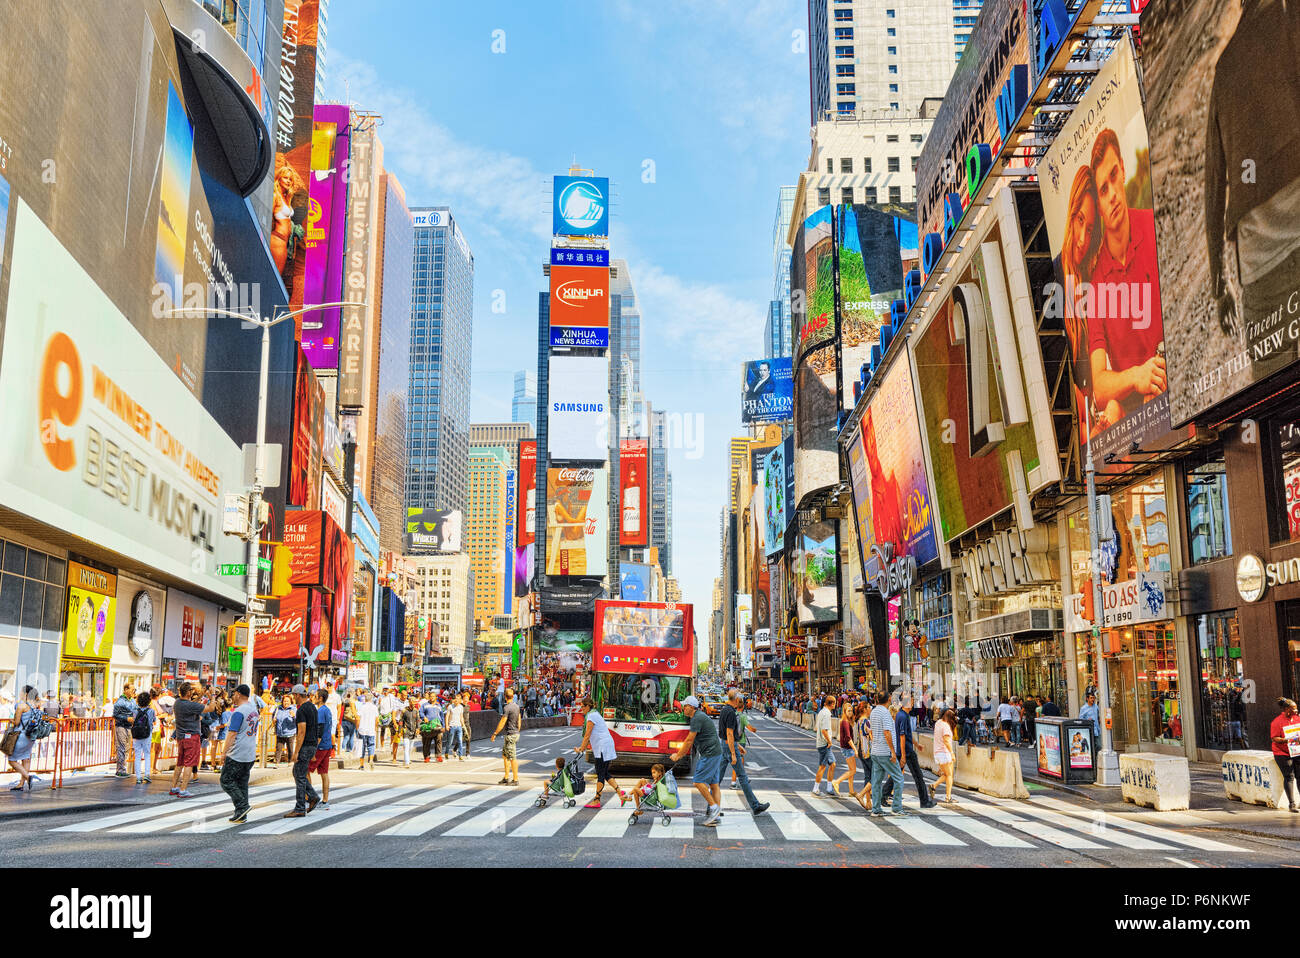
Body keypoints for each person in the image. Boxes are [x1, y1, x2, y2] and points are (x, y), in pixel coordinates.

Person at [1087, 127, 1166, 419]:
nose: (1112, 196)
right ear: (1098, 204)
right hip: (1137, 426)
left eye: (1113, 177)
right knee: (1114, 408)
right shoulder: (1096, 286)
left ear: (1122, 169)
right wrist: (1136, 376)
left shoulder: (1156, 227)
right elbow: (1099, 387)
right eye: (1102, 190)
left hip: (1180, 386)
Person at [669, 696, 724, 827]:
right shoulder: (698, 716)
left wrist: (678, 755)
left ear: (692, 707)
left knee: (698, 781)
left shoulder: (696, 718)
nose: (684, 708)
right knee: (714, 784)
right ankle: (715, 815)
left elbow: (689, 740)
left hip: (710, 753)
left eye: (685, 706)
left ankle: (714, 808)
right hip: (715, 752)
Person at [716, 689, 770, 817]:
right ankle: (755, 806)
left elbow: (725, 734)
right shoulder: (730, 712)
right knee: (743, 777)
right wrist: (734, 752)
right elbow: (729, 733)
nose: (741, 701)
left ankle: (711, 807)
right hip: (729, 746)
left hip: (724, 745)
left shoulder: (725, 710)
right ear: (736, 699)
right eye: (740, 699)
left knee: (717, 778)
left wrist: (737, 745)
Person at [880, 692, 934, 809]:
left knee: (896, 774)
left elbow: (908, 734)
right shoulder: (903, 716)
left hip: (903, 750)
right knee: (918, 776)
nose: (912, 703)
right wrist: (904, 756)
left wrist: (917, 744)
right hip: (906, 751)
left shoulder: (901, 715)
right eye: (911, 701)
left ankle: (883, 796)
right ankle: (924, 801)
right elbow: (902, 736)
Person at [169, 683, 218, 798]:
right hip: (192, 737)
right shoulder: (190, 706)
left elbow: (192, 704)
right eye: (192, 691)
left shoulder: (178, 703)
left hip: (181, 737)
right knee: (189, 764)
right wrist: (213, 695)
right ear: (189, 693)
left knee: (180, 763)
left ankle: (174, 787)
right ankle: (183, 789)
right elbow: (211, 708)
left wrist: (201, 694)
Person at [219, 685, 260, 824]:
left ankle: (242, 806)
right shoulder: (253, 710)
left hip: (237, 752)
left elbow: (232, 733)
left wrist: (223, 753)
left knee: (226, 780)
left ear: (238, 694)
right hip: (250, 752)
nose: (232, 697)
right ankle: (241, 814)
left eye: (234, 694)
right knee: (242, 783)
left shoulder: (239, 712)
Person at [575, 695, 623, 808]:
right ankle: (620, 793)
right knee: (604, 772)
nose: (582, 709)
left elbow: (587, 735)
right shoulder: (594, 714)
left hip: (603, 747)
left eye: (583, 707)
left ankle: (597, 800)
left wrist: (581, 749)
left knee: (601, 773)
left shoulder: (591, 716)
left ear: (588, 706)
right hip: (603, 746)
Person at [868, 692, 907, 818]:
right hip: (885, 751)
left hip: (875, 751)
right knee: (898, 778)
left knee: (876, 781)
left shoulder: (874, 711)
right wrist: (893, 751)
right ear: (889, 699)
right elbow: (887, 732)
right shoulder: (885, 713)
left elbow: (872, 731)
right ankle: (896, 807)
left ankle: (876, 808)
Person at [284, 684, 320, 818]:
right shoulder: (312, 707)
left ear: (298, 695)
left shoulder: (301, 710)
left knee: (299, 775)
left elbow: (301, 731)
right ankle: (312, 796)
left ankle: (300, 806)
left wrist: (296, 751)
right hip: (312, 745)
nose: (293, 698)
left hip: (304, 746)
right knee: (298, 773)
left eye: (294, 695)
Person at [5, 686, 43, 791]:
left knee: (12, 761)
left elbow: (16, 722)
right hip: (31, 736)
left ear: (25, 694)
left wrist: (10, 721)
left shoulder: (21, 706)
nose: (20, 693)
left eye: (21, 692)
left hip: (21, 736)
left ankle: (27, 777)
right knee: (26, 759)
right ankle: (21, 784)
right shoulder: (35, 706)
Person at [1270, 697, 1300, 814]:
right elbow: (1274, 738)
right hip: (1282, 753)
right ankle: (1291, 804)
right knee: (1289, 776)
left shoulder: (1297, 719)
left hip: (1296, 751)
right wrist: (1286, 740)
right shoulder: (1277, 722)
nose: (1296, 711)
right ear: (1287, 709)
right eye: (1293, 709)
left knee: (1299, 776)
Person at [490, 688, 523, 785]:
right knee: (505, 756)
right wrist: (518, 730)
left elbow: (503, 721)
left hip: (511, 734)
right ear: (513, 696)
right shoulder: (516, 706)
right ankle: (506, 776)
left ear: (505, 696)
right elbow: (519, 719)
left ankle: (515, 779)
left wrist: (495, 733)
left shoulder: (507, 708)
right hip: (514, 733)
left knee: (512, 757)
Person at [829, 695, 858, 799]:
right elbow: (848, 738)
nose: (850, 713)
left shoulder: (845, 721)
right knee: (853, 770)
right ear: (844, 711)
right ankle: (837, 782)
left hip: (845, 748)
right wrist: (855, 749)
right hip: (847, 748)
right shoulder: (845, 722)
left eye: (851, 711)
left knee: (851, 770)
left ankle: (851, 790)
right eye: (848, 711)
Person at [310, 689, 335, 807]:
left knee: (305, 770)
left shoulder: (320, 711)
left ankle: (310, 797)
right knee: (324, 772)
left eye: (315, 696)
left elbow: (319, 730)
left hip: (320, 746)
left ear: (320, 698)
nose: (313, 698)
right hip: (327, 744)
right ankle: (325, 800)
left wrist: (314, 747)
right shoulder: (327, 710)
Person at [812, 694, 837, 797]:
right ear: (832, 704)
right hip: (824, 744)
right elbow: (824, 730)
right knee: (822, 766)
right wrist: (829, 741)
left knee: (833, 764)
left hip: (822, 743)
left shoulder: (822, 712)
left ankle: (829, 787)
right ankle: (816, 788)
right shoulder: (826, 714)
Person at [933, 708, 959, 804]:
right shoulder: (946, 726)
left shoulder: (938, 723)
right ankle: (948, 797)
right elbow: (946, 741)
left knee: (946, 774)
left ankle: (934, 786)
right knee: (949, 775)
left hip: (937, 752)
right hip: (944, 753)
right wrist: (952, 753)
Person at [111, 684, 137, 778]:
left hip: (129, 727)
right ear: (126, 689)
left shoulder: (133, 701)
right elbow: (115, 714)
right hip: (121, 726)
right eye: (132, 690)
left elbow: (136, 710)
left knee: (126, 748)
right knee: (121, 747)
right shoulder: (120, 701)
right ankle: (120, 770)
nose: (134, 692)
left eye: (135, 690)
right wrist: (126, 718)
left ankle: (123, 768)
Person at [129, 691, 155, 784]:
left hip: (136, 734)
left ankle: (138, 777)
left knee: (138, 755)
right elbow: (153, 721)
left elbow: (132, 720)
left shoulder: (135, 711)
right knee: (147, 754)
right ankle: (147, 775)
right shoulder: (151, 711)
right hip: (147, 734)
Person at [355, 692, 379, 771]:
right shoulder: (374, 707)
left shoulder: (362, 707)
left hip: (362, 729)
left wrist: (357, 727)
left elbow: (358, 718)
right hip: (371, 730)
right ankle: (371, 759)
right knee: (371, 745)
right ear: (371, 699)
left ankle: (361, 765)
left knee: (362, 747)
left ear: (365, 699)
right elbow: (377, 719)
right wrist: (375, 727)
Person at [419, 695, 444, 763]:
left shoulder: (438, 706)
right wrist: (424, 717)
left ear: (436, 698)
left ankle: (438, 756)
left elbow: (442, 716)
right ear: (429, 697)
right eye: (431, 696)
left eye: (433, 696)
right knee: (426, 742)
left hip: (437, 726)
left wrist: (443, 726)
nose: (432, 697)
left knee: (439, 741)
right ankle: (427, 757)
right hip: (428, 726)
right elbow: (420, 712)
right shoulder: (425, 705)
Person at [273, 695, 297, 766]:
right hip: (280, 732)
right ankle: (277, 763)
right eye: (284, 701)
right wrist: (274, 720)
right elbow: (273, 716)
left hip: (290, 732)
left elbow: (297, 720)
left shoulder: (293, 709)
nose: (286, 702)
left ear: (290, 702)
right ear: (282, 702)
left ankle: (290, 761)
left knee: (290, 748)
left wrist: (294, 716)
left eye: (287, 701)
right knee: (278, 749)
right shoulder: (278, 708)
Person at [398, 695, 421, 767]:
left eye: (414, 702)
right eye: (412, 702)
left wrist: (418, 728)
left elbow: (418, 720)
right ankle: (407, 762)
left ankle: (406, 759)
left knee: (410, 748)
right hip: (406, 731)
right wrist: (399, 731)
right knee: (406, 746)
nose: (413, 703)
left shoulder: (416, 711)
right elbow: (401, 721)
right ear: (409, 702)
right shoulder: (404, 711)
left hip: (413, 731)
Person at [445, 692, 467, 761]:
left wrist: (463, 726)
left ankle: (460, 755)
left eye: (458, 699)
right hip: (452, 726)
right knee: (450, 741)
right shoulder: (450, 706)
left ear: (460, 700)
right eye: (455, 699)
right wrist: (446, 725)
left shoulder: (461, 707)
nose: (456, 700)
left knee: (460, 741)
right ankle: (446, 753)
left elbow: (461, 717)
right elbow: (447, 716)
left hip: (459, 726)